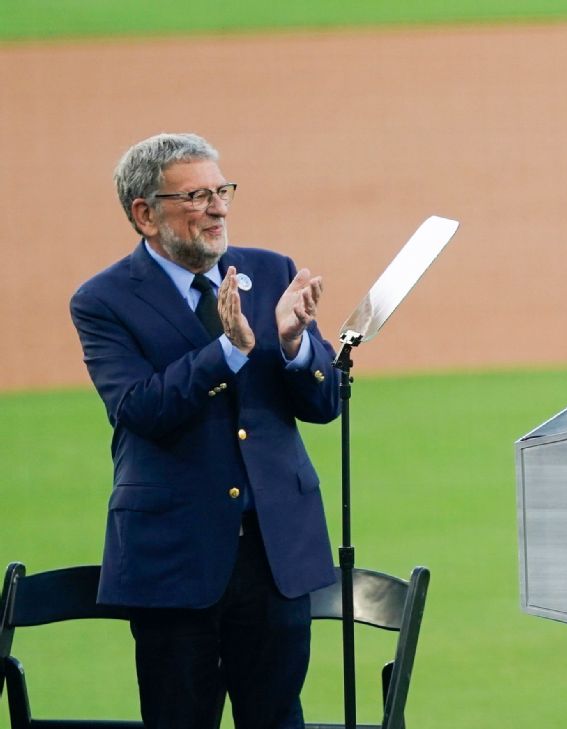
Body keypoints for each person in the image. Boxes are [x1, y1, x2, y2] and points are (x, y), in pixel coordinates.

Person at [70, 133, 340, 729]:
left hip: (276, 552)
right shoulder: (103, 300)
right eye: (196, 195)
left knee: (275, 718)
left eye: (222, 190)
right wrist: (229, 350)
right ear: (145, 213)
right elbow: (141, 408)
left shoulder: (272, 271)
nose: (218, 207)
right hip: (174, 558)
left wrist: (295, 346)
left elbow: (324, 405)